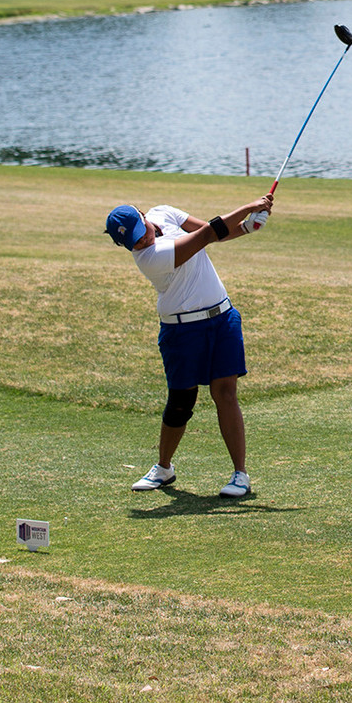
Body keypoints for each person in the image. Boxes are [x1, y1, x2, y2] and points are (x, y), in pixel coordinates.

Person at [105, 194, 273, 498]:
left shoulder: (164, 213)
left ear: (143, 216)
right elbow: (207, 234)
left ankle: (240, 475)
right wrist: (250, 207)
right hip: (181, 330)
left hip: (222, 319)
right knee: (181, 401)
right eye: (132, 243)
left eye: (140, 235)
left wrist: (249, 227)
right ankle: (164, 467)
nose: (140, 243)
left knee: (225, 393)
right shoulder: (150, 257)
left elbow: (216, 234)